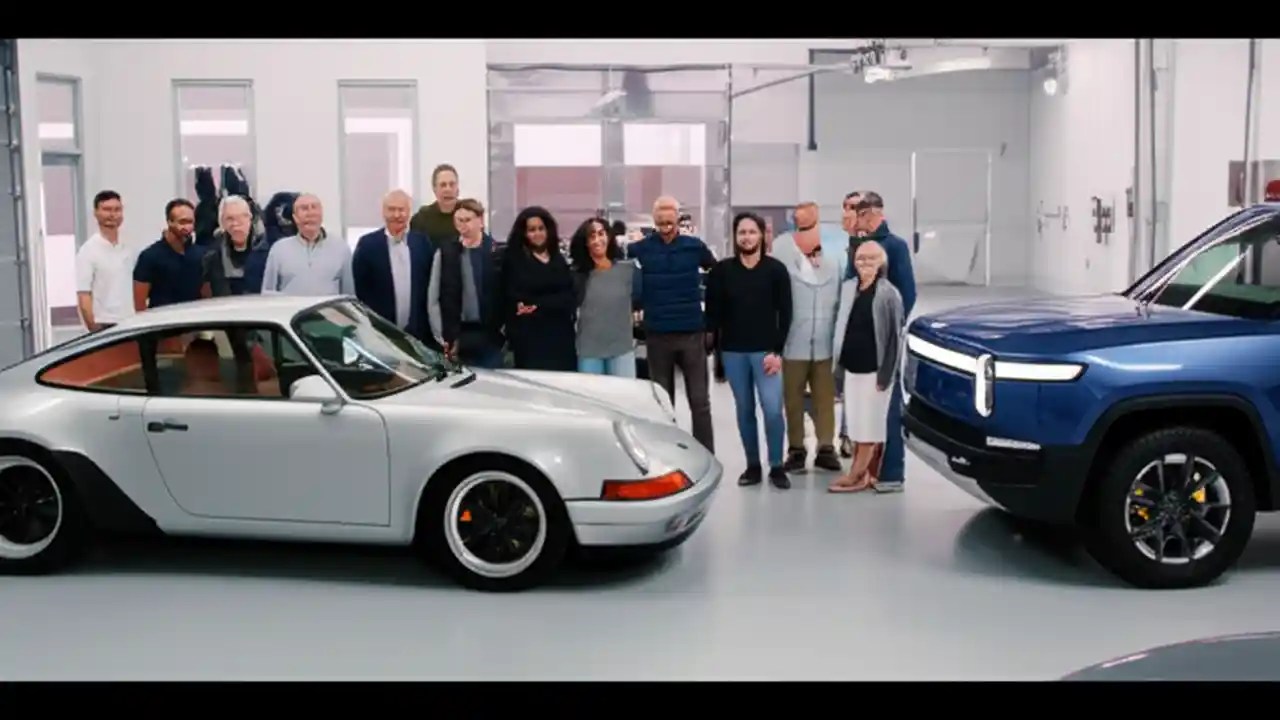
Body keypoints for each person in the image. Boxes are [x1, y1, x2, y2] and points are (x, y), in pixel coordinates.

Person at [705, 212, 792, 487]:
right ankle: (752, 465)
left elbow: (786, 313)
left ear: (762, 235)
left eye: (752, 232)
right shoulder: (721, 272)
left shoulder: (776, 271)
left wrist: (778, 352)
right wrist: (716, 357)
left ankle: (776, 465)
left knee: (773, 410)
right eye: (742, 232)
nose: (747, 237)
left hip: (766, 352)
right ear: (735, 236)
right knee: (744, 410)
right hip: (734, 353)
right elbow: (713, 317)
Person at [627, 195, 717, 452]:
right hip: (657, 334)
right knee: (663, 403)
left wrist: (712, 316)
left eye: (670, 223)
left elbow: (717, 273)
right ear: (654, 222)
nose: (666, 228)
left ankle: (706, 453)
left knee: (700, 401)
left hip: (692, 333)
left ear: (678, 220)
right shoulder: (641, 249)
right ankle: (669, 453)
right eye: (661, 223)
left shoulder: (694, 247)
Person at [849, 191, 917, 493]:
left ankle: (891, 473)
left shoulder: (895, 247)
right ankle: (865, 470)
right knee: (864, 408)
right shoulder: (859, 246)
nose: (857, 218)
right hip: (860, 341)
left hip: (885, 339)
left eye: (860, 213)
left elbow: (908, 292)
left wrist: (892, 325)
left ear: (872, 213)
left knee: (888, 406)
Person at [771, 201, 843, 472]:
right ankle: (796, 449)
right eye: (799, 222)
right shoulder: (781, 248)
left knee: (825, 398)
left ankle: (826, 448)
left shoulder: (834, 248)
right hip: (793, 339)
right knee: (793, 399)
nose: (803, 226)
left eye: (809, 222)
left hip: (825, 339)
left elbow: (842, 292)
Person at [829, 240, 904, 493]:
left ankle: (858, 474)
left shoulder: (889, 294)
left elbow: (894, 339)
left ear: (882, 263)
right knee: (856, 423)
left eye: (872, 258)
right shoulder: (849, 288)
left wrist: (886, 375)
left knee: (870, 425)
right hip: (851, 369)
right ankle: (861, 473)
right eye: (861, 258)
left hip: (874, 372)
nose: (865, 263)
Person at [427, 198, 506, 368]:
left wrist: (504, 330)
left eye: (468, 220)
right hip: (457, 334)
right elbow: (433, 297)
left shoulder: (496, 252)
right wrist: (441, 336)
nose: (463, 226)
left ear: (480, 220)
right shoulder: (446, 252)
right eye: (459, 221)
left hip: (490, 334)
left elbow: (506, 292)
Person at [351, 190, 435, 344]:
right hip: (380, 333)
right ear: (383, 212)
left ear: (409, 212)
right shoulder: (368, 245)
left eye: (401, 210)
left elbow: (429, 287)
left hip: (418, 335)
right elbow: (360, 291)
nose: (397, 215)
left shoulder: (422, 243)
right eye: (391, 209)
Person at [502, 206, 577, 371]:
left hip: (562, 338)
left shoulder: (558, 260)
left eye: (541, 228)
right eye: (532, 230)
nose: (537, 234)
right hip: (529, 342)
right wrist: (550, 303)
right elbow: (515, 300)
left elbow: (569, 298)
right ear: (524, 233)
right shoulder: (514, 261)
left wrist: (537, 305)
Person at [570, 217, 641, 377]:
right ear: (585, 243)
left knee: (624, 393)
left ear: (609, 237)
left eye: (601, 234)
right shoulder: (576, 275)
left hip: (621, 349)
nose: (597, 240)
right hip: (589, 351)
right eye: (592, 236)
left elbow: (640, 301)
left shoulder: (627, 270)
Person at [260, 193, 355, 296]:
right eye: (304, 208)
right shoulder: (279, 249)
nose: (310, 213)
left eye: (314, 207)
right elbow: (268, 294)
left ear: (321, 215)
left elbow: (349, 295)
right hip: (291, 307)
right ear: (295, 217)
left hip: (327, 307)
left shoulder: (341, 248)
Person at [133, 198, 209, 311]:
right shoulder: (149, 256)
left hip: (194, 318)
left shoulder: (202, 255)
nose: (187, 227)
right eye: (182, 222)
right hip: (163, 319)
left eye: (190, 222)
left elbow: (207, 296)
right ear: (169, 222)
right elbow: (139, 303)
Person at [75, 190, 135, 331]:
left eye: (117, 210)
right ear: (96, 213)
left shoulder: (129, 247)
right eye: (107, 209)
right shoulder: (88, 251)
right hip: (104, 323)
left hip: (130, 321)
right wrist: (93, 329)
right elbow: (83, 294)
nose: (112, 215)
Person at [203, 195, 260, 297]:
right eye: (229, 219)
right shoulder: (212, 257)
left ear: (250, 219)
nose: (235, 224)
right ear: (222, 223)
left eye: (242, 217)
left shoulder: (265, 252)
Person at [410, 164, 461, 244]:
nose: (448, 189)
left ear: (457, 189)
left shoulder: (470, 217)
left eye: (452, 184)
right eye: (443, 185)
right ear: (434, 189)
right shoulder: (421, 219)